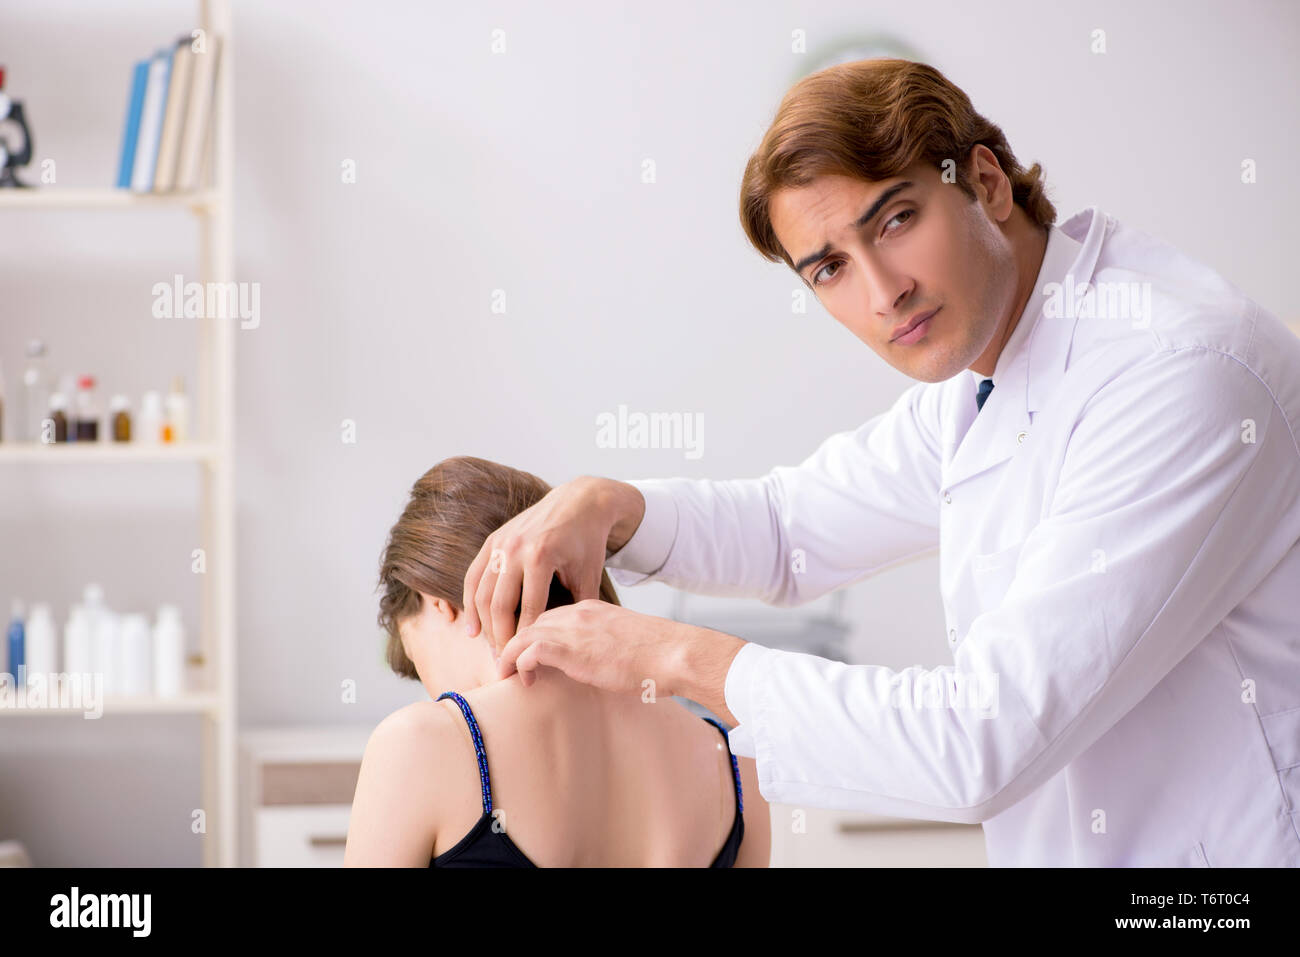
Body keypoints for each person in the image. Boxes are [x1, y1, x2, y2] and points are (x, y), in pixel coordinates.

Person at [465, 58, 1300, 867]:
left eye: (895, 220)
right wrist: (606, 504)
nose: (882, 291)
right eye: (830, 268)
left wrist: (668, 657)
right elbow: (790, 523)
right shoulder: (987, 368)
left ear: (985, 182)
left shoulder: (1180, 372)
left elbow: (984, 739)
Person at [344, 456, 770, 867]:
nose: (436, 695)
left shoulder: (420, 741)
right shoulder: (735, 762)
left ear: (437, 604)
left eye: (420, 664)